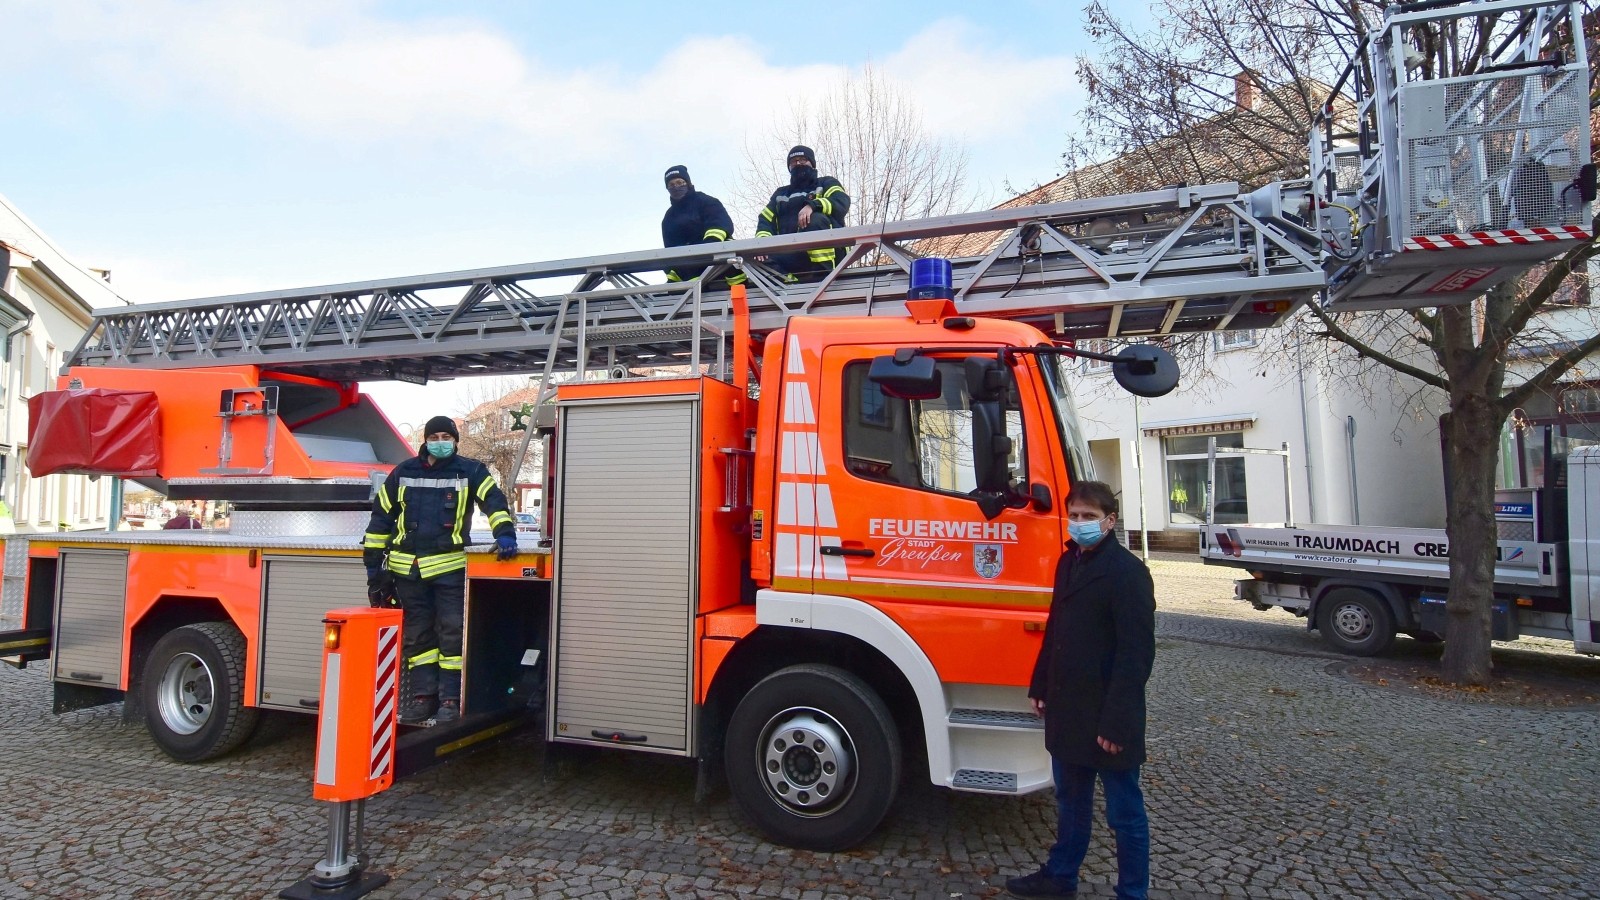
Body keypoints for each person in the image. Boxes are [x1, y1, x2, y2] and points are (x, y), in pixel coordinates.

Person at [1008, 480, 1155, 899]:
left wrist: (1117, 721)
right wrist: (1041, 683)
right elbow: (1056, 628)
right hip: (1068, 707)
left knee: (1124, 814)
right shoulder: (1068, 562)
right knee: (1071, 803)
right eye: (1074, 515)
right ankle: (1060, 876)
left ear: (1109, 521)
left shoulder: (1129, 573)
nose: (1079, 523)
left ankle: (1133, 892)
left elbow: (1136, 655)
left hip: (1109, 714)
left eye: (1088, 517)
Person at [364, 415, 519, 726]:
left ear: (455, 440)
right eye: (433, 436)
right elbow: (381, 516)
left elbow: (494, 501)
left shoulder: (471, 470)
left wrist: (504, 532)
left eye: (445, 436)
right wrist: (373, 564)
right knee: (417, 637)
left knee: (452, 634)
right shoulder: (403, 472)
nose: (439, 441)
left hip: (449, 569)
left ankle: (449, 698)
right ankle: (424, 698)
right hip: (407, 571)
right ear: (425, 440)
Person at [753, 145, 850, 281]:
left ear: (812, 163)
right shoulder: (780, 194)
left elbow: (841, 201)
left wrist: (813, 206)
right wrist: (761, 244)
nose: (798, 164)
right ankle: (790, 283)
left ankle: (824, 276)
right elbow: (765, 219)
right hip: (792, 254)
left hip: (830, 252)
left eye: (803, 160)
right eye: (794, 161)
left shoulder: (826, 183)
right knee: (756, 257)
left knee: (815, 220)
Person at [661, 165, 742, 286]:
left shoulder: (706, 202)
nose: (676, 187)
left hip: (723, 267)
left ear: (688, 183)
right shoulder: (669, 217)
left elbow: (720, 226)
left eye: (680, 182)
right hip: (692, 278)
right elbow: (671, 251)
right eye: (671, 185)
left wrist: (705, 250)